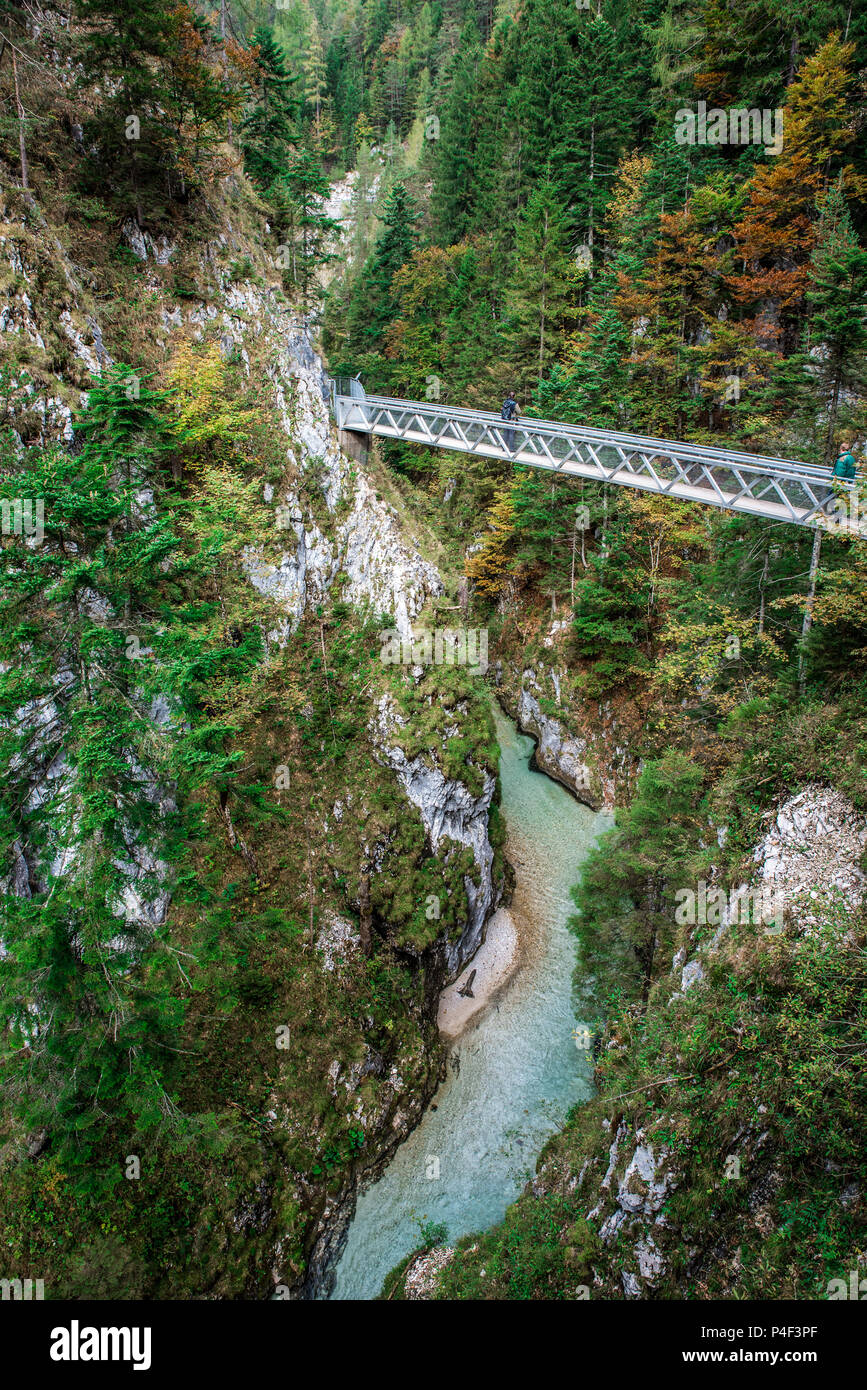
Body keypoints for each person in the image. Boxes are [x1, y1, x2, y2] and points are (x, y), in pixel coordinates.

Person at [500, 390, 521, 455]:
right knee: (511, 434)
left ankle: (504, 447)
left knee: (505, 433)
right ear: (514, 396)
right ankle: (511, 448)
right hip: (511, 420)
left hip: (505, 420)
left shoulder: (505, 402)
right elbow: (519, 412)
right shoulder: (514, 403)